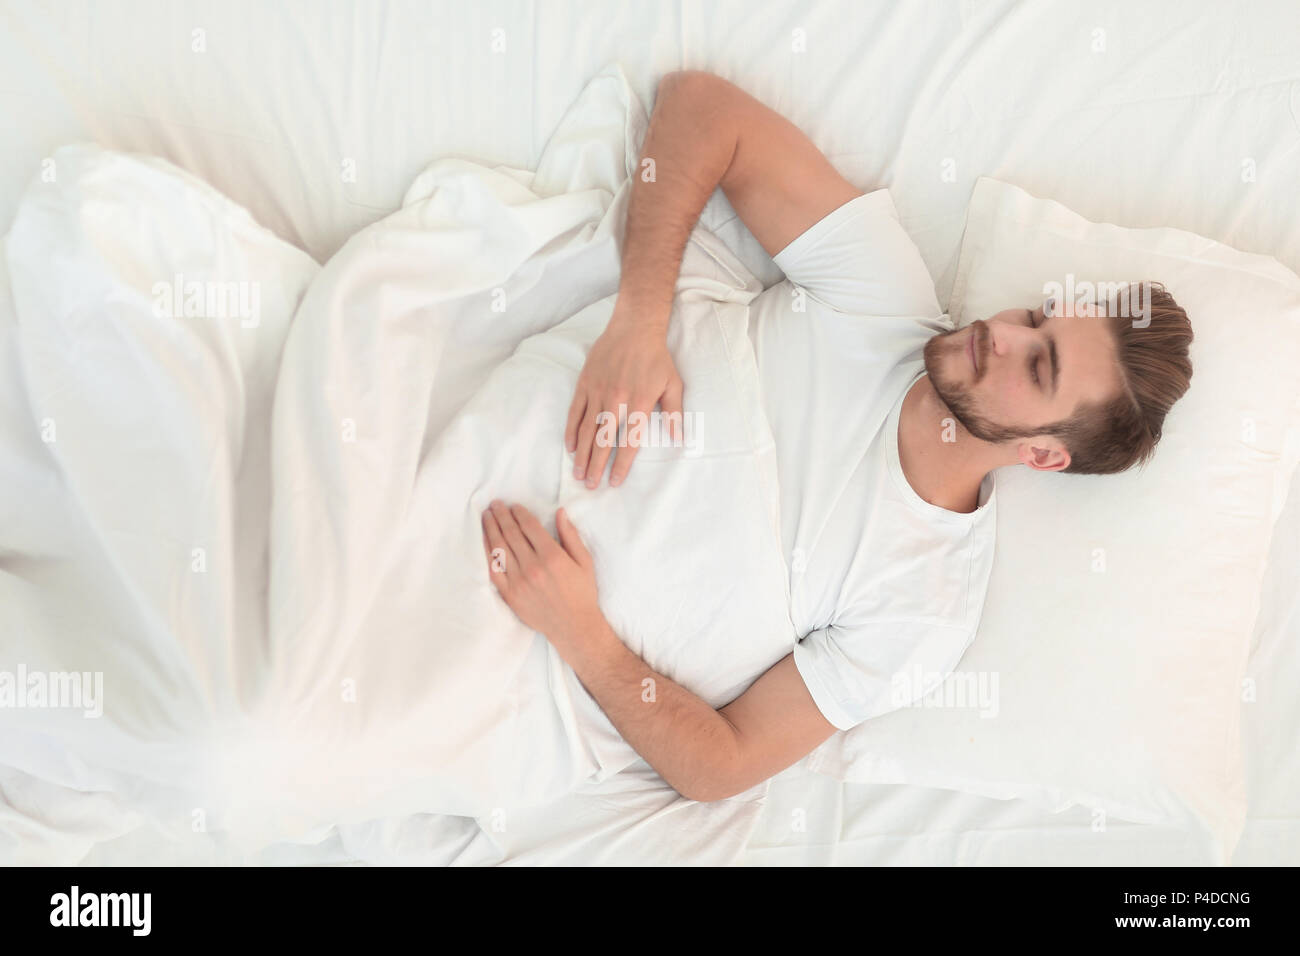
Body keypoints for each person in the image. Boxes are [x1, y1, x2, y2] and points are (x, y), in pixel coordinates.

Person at [480, 70, 1193, 802]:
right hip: (486, 442)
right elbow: (701, 110)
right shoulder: (882, 295)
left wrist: (581, 635)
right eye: (1037, 318)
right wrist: (639, 315)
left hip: (519, 648)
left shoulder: (925, 604)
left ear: (1042, 454)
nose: (1003, 332)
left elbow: (721, 765)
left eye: (1038, 364)